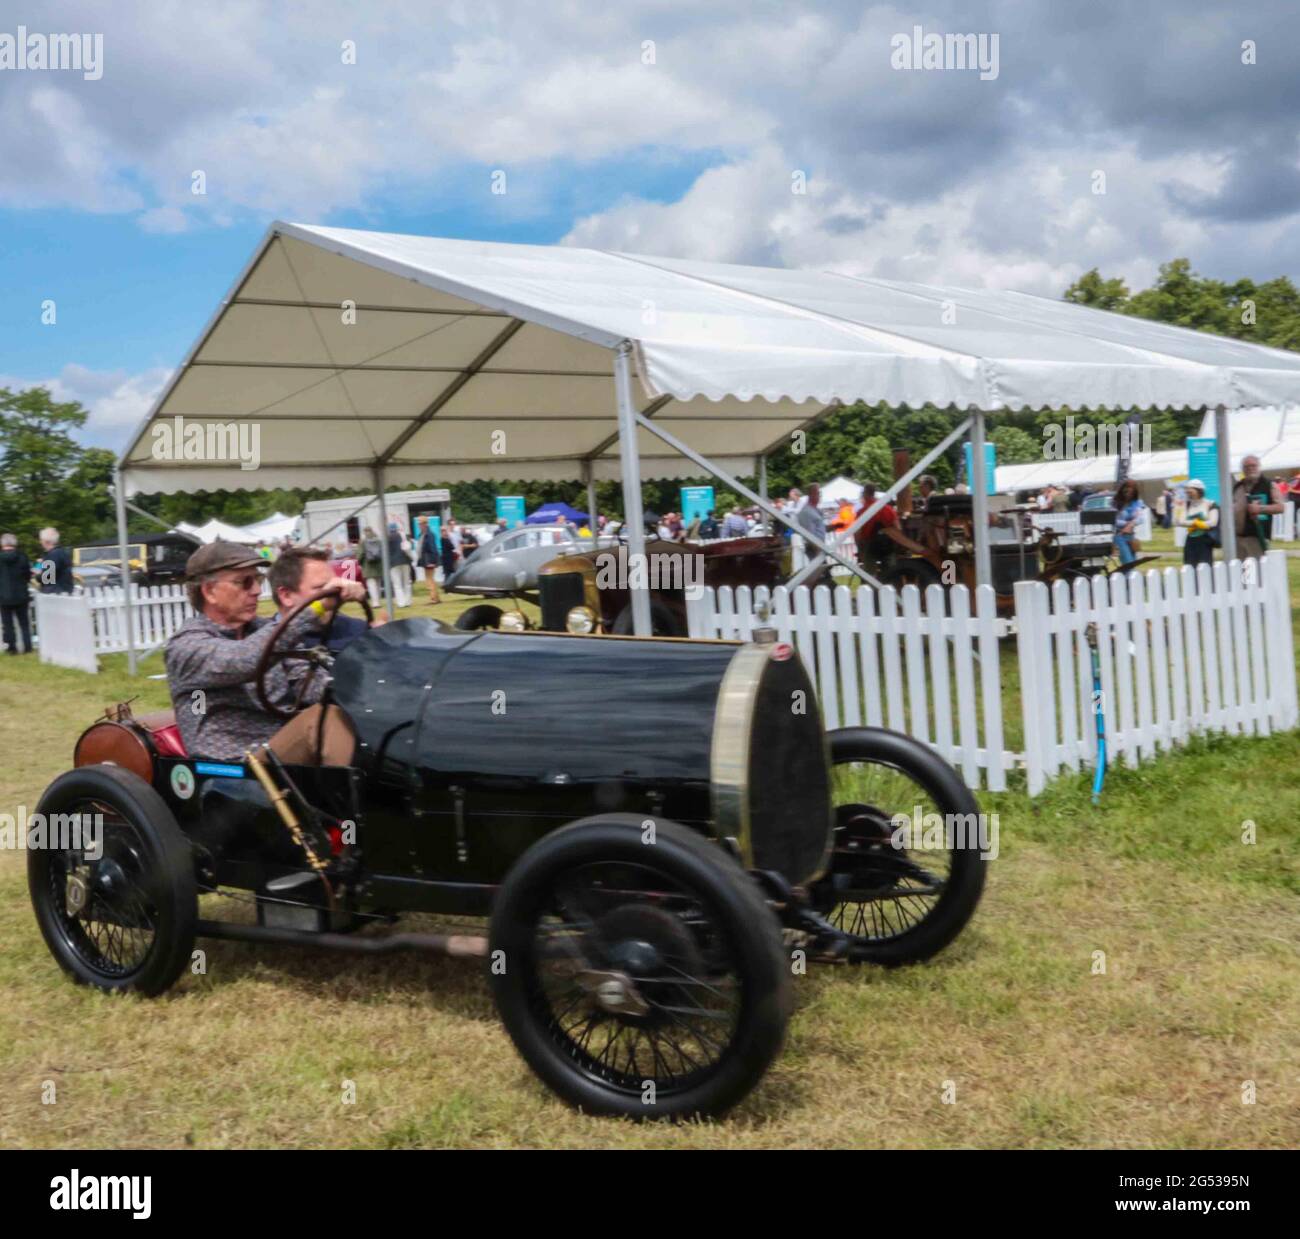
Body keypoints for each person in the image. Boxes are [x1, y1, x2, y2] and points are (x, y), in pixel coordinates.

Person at [164, 541, 368, 762]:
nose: (257, 591)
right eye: (244, 582)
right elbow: (244, 659)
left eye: (258, 580)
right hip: (231, 765)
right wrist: (317, 606)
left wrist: (360, 688)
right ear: (210, 591)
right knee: (322, 720)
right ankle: (354, 795)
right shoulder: (187, 646)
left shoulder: (265, 631)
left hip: (282, 756)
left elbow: (307, 684)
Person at [271, 546, 384, 652]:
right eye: (320, 588)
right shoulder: (267, 640)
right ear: (286, 596)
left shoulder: (357, 630)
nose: (332, 594)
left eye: (333, 586)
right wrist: (319, 607)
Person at [853, 484, 928, 573]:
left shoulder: (861, 512)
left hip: (869, 547)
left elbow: (857, 534)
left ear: (865, 494)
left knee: (870, 573)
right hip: (887, 545)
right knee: (891, 572)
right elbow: (898, 528)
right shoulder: (887, 509)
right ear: (874, 493)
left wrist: (860, 549)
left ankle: (872, 584)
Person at [1232, 455, 1285, 560]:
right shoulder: (1238, 486)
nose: (1250, 468)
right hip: (1238, 538)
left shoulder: (1269, 485)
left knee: (1258, 571)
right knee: (1240, 572)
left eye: (1253, 465)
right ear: (1242, 469)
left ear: (1259, 466)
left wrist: (1260, 509)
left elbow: (1280, 507)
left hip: (1257, 537)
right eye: (1246, 467)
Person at [0, 532, 33, 654]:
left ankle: (12, 647)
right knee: (24, 623)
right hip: (21, 595)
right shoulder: (22, 556)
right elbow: (27, 575)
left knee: (7, 624)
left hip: (4, 595)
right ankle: (28, 647)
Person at [1176, 479, 1218, 568]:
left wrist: (1194, 523)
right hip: (1191, 540)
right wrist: (1198, 523)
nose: (1187, 492)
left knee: (1205, 566)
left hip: (1204, 540)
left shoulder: (1210, 504)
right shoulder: (1186, 505)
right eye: (1187, 490)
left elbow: (1213, 522)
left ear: (1198, 490)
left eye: (1190, 489)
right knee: (1189, 566)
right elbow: (1180, 521)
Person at [1112, 479, 1146, 566]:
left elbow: (1141, 518)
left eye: (1132, 492)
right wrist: (1127, 524)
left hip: (1131, 537)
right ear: (1122, 491)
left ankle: (1128, 579)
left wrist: (1131, 524)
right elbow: (1113, 520)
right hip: (1119, 536)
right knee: (1128, 562)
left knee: (1133, 563)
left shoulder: (1137, 503)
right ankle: (1126, 579)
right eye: (1127, 491)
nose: (1129, 494)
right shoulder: (1115, 503)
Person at [35, 527, 73, 594]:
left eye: (41, 540)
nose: (40, 542)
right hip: (65, 591)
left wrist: (37, 573)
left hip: (54, 594)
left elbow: (47, 579)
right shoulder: (63, 552)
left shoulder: (52, 555)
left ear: (46, 541)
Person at [413, 516, 441, 604]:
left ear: (425, 524)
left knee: (429, 579)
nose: (419, 525)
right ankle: (436, 598)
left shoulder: (429, 534)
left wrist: (432, 562)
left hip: (429, 560)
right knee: (430, 579)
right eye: (419, 524)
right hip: (425, 559)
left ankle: (433, 599)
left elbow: (433, 548)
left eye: (420, 524)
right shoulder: (422, 534)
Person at [386, 522, 412, 607]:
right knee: (407, 582)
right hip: (405, 561)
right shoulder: (403, 536)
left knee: (397, 584)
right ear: (396, 528)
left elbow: (386, 552)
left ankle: (401, 603)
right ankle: (408, 602)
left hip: (393, 563)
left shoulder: (387, 538)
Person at [359, 525, 385, 607]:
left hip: (368, 566)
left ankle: (375, 602)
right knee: (378, 584)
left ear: (364, 532)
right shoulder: (379, 540)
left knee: (371, 584)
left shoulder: (363, 541)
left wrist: (360, 562)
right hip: (378, 566)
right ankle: (378, 601)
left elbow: (360, 554)